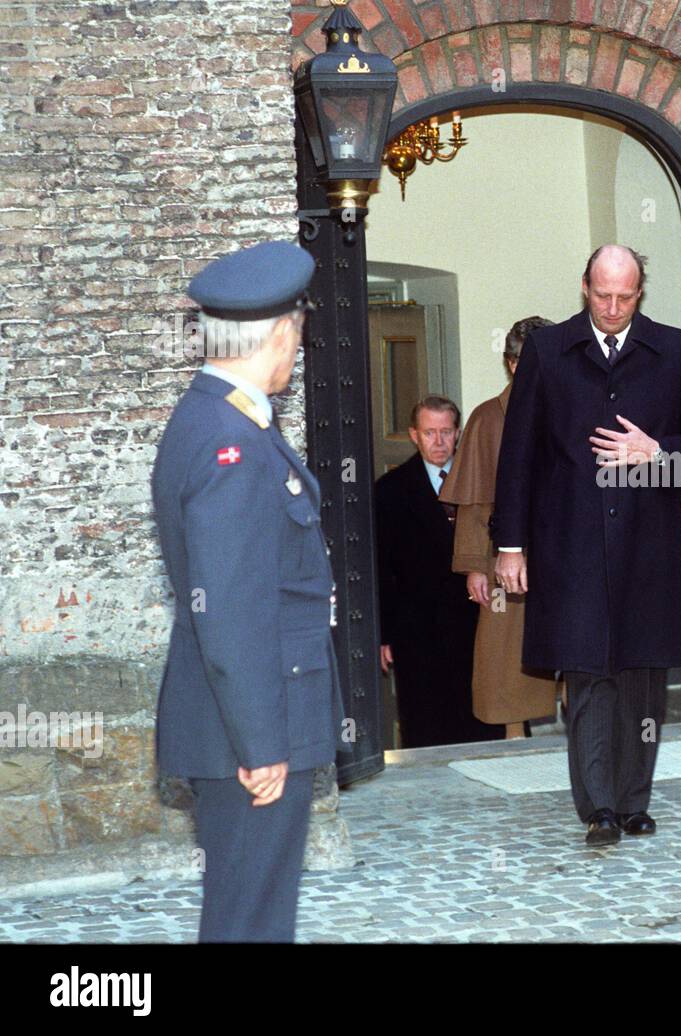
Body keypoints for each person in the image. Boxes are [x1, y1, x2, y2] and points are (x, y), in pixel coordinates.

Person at [492, 244, 681, 845]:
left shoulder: (673, 349)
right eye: (603, 296)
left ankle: (633, 801)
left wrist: (658, 453)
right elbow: (517, 456)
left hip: (647, 544)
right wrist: (510, 545)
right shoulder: (548, 352)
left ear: (640, 293)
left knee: (642, 675)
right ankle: (597, 805)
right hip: (569, 543)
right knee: (589, 672)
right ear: (584, 288)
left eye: (626, 297)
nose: (614, 307)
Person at [151, 239, 348, 942]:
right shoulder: (227, 439)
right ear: (279, 333)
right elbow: (230, 610)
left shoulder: (220, 419)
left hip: (247, 716)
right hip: (252, 727)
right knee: (250, 920)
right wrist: (262, 744)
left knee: (251, 912)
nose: (298, 347)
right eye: (297, 332)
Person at [440, 317, 560, 739]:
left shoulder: (579, 408)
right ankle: (514, 736)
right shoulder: (488, 419)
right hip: (508, 556)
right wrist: (474, 565)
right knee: (507, 654)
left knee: (578, 645)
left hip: (567, 551)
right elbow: (473, 500)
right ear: (511, 364)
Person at [374, 396, 505, 747]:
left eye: (446, 432)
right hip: (418, 631)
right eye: (430, 432)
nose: (439, 441)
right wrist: (383, 634)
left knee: (480, 726)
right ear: (414, 435)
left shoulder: (484, 483)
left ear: (458, 433)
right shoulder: (390, 491)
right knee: (426, 728)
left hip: (474, 623)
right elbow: (382, 570)